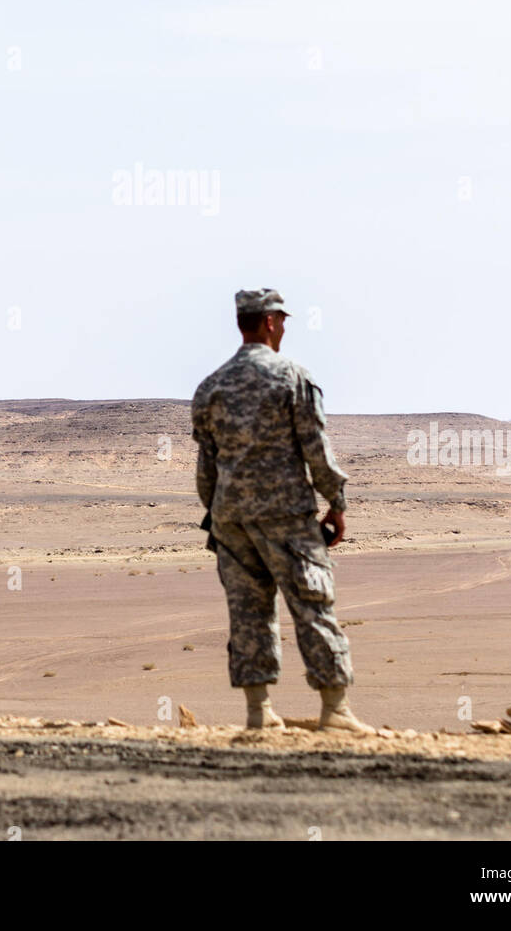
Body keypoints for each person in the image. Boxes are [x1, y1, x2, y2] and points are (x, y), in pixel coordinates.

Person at [191, 289, 374, 733]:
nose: (285, 328)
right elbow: (317, 450)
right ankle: (334, 710)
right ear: (270, 322)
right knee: (312, 605)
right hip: (285, 515)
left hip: (231, 517)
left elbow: (206, 466)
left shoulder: (211, 386)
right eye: (283, 320)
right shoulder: (292, 377)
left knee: (248, 612)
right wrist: (337, 503)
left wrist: (217, 515)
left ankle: (259, 713)